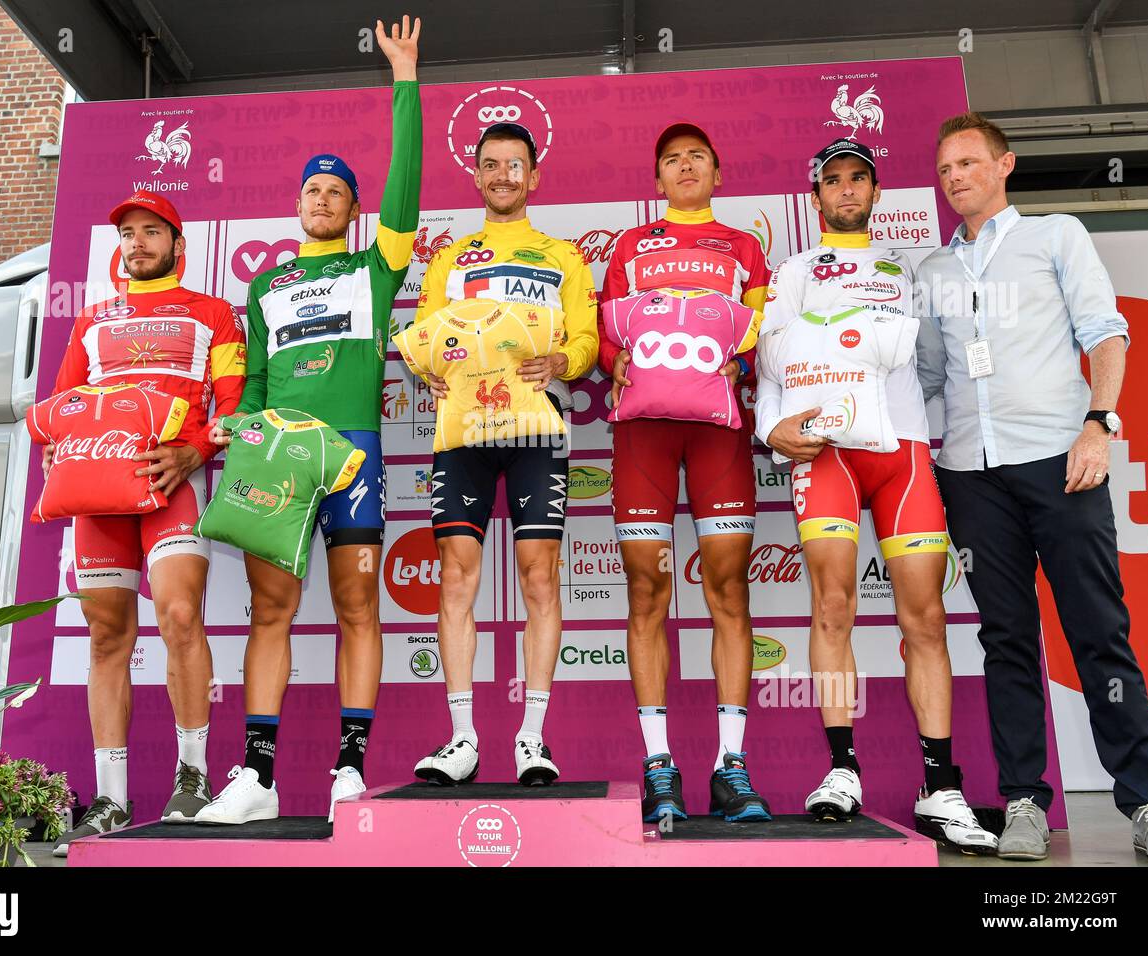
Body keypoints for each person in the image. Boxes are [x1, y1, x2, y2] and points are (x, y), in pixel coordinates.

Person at [916, 111, 1148, 864]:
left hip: (1062, 461)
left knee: (1098, 633)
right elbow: (929, 379)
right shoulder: (932, 273)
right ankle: (1024, 801)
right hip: (968, 474)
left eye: (968, 162)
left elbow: (1106, 333)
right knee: (1007, 643)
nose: (955, 177)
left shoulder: (1056, 236)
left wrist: (1100, 424)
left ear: (1005, 164)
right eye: (945, 168)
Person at [193, 16, 422, 825]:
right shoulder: (266, 287)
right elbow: (251, 382)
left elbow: (406, 188)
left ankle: (350, 768)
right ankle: (257, 778)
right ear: (296, 206)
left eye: (336, 192)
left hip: (352, 454)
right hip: (274, 461)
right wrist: (239, 428)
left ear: (356, 211)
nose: (322, 199)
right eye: (310, 190)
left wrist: (405, 82)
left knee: (360, 607)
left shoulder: (375, 267)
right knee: (271, 611)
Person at [756, 138, 996, 853]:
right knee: (832, 605)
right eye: (834, 180)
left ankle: (939, 784)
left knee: (925, 616)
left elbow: (935, 367)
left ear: (877, 191)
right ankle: (841, 770)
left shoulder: (909, 270)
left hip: (903, 453)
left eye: (859, 178)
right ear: (816, 196)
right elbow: (770, 363)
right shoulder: (794, 272)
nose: (848, 190)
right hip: (826, 453)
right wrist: (773, 430)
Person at [49, 190, 246, 855]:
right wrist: (57, 437)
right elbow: (63, 402)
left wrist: (197, 451)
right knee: (106, 636)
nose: (136, 243)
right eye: (127, 234)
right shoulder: (93, 319)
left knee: (180, 618)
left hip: (172, 483)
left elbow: (236, 405)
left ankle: (192, 778)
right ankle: (111, 797)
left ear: (178, 245)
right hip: (100, 488)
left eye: (150, 232)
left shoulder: (213, 313)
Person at [411, 120, 598, 786]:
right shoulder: (450, 258)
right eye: (490, 165)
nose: (501, 176)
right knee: (457, 577)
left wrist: (563, 359)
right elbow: (428, 338)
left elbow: (587, 343)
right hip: (462, 433)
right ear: (477, 174)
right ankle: (462, 739)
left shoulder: (562, 256)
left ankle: (532, 739)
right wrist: (429, 369)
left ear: (533, 176)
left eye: (513, 166)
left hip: (534, 431)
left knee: (538, 574)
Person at [599, 122, 773, 823]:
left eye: (696, 156)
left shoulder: (743, 246)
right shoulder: (631, 246)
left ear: (717, 173)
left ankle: (732, 767)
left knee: (729, 588)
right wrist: (611, 359)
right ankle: (658, 766)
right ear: (657, 180)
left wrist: (742, 360)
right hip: (644, 430)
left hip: (717, 432)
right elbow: (608, 333)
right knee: (647, 590)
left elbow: (761, 329)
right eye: (670, 159)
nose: (684, 166)